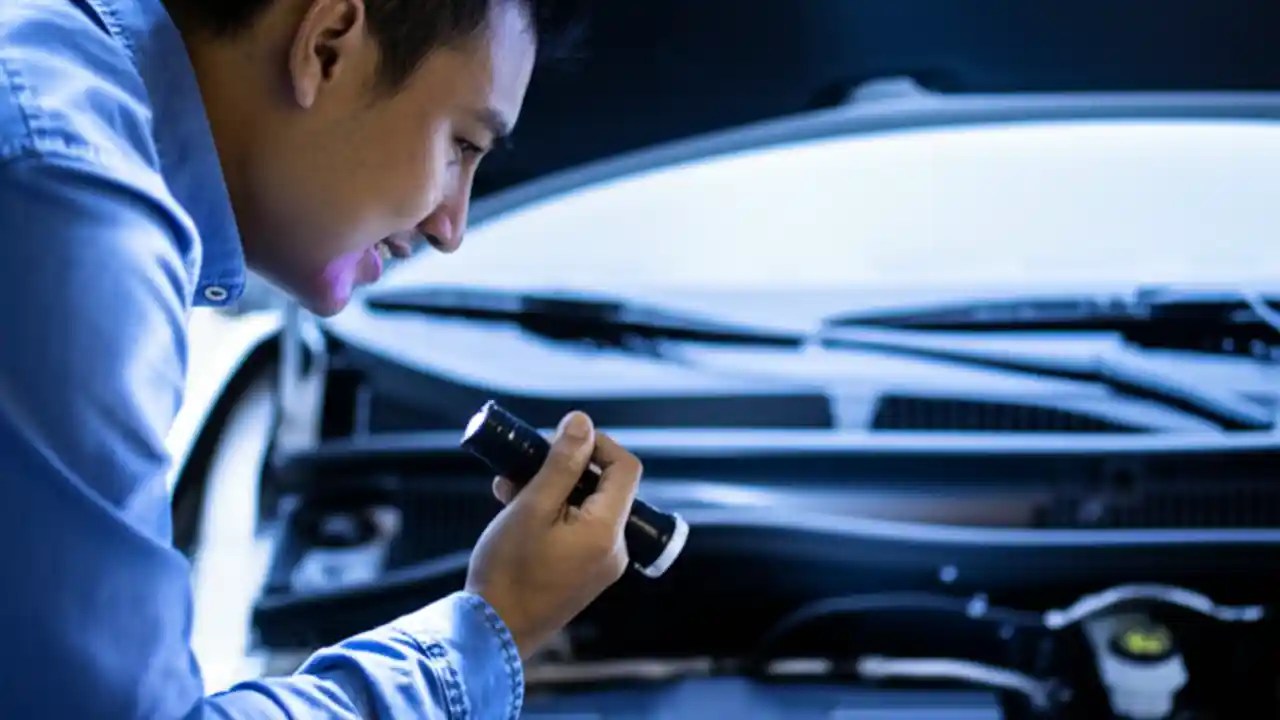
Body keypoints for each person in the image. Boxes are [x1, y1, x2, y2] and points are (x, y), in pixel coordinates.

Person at [0, 0, 644, 718]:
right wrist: (493, 627)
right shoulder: (66, 204)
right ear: (327, 46)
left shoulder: (53, 98)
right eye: (462, 144)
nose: (450, 226)